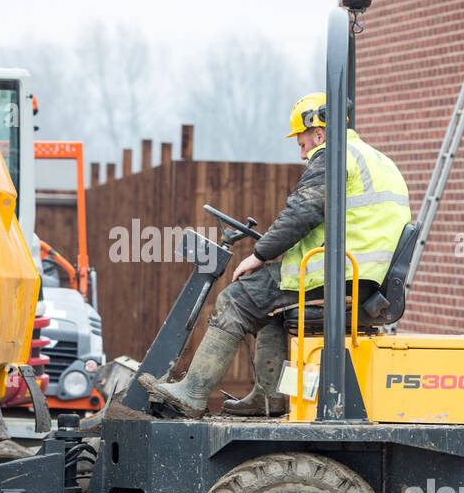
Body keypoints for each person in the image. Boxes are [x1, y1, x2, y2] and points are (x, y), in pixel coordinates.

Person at [139, 92, 412, 418]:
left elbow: (302, 211)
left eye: (302, 144)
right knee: (269, 310)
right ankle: (269, 398)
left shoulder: (333, 157)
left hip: (335, 276)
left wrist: (259, 254)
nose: (302, 153)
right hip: (364, 280)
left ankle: (192, 393)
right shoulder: (377, 160)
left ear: (319, 134)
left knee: (235, 300)